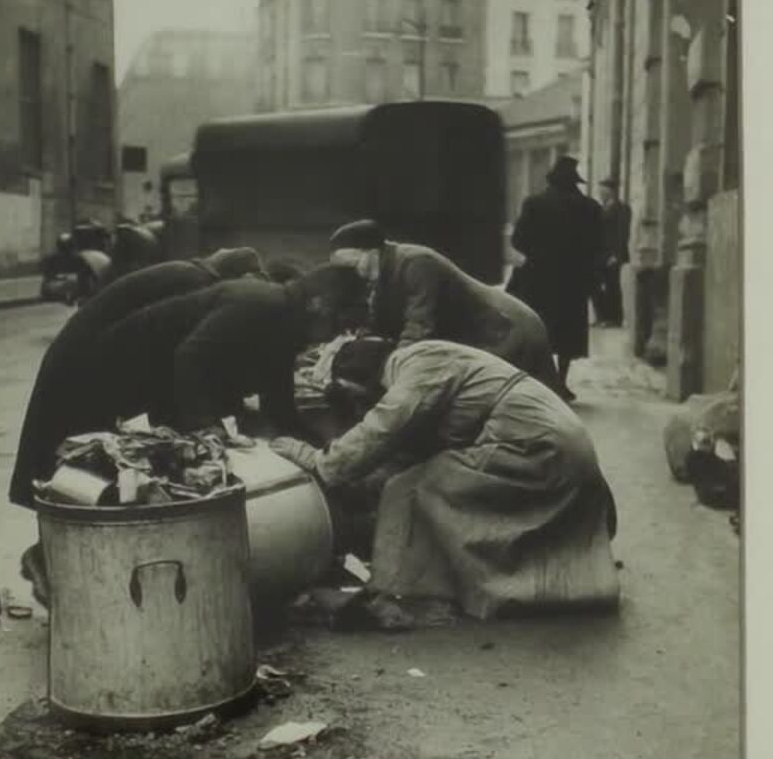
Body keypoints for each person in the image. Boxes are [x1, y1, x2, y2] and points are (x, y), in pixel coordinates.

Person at [269, 337, 620, 626]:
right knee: (411, 482)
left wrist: (317, 460)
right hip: (555, 435)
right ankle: (424, 583)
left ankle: (412, 590)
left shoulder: (416, 367)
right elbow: (404, 452)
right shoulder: (425, 357)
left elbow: (382, 427)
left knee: (421, 488)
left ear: (360, 381)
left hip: (534, 441)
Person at [11, 247, 266, 602]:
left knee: (83, 469)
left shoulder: (188, 274)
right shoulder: (192, 282)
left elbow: (160, 349)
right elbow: (175, 352)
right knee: (73, 468)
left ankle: (55, 561)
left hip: (93, 369)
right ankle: (46, 560)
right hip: (82, 371)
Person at [94, 266, 365, 435]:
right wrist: (207, 428)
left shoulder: (287, 327)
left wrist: (319, 450)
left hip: (163, 374)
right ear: (319, 304)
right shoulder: (261, 304)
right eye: (339, 324)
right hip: (126, 367)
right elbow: (191, 358)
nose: (332, 337)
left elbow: (279, 409)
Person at [327, 219, 561, 390]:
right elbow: (380, 322)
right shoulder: (382, 270)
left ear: (371, 252)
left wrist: (394, 372)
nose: (352, 275)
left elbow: (419, 327)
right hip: (480, 331)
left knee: (509, 402)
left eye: (353, 265)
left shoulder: (417, 263)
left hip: (505, 327)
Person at [507, 155, 603, 401]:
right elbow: (598, 246)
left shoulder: (534, 204)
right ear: (574, 182)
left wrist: (538, 253)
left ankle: (544, 379)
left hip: (539, 277)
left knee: (542, 327)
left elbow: (517, 240)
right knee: (569, 332)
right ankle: (561, 380)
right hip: (573, 281)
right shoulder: (590, 209)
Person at [592, 177, 631, 328]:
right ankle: (601, 317)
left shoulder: (623, 209)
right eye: (600, 190)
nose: (600, 193)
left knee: (612, 286)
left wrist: (616, 255)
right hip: (598, 255)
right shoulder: (600, 209)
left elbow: (623, 233)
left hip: (613, 255)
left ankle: (614, 319)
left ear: (612, 191)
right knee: (595, 285)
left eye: (603, 190)